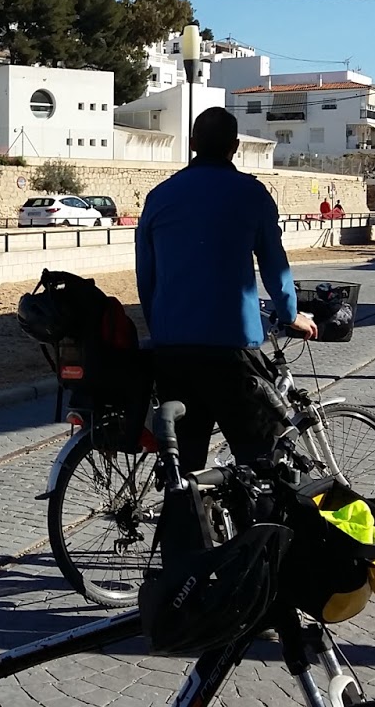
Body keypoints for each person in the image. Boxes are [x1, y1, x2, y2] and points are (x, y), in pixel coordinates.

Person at [136, 107, 317, 472]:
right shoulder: (252, 194)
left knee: (184, 466)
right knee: (262, 458)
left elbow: (146, 277)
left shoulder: (160, 196)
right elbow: (274, 265)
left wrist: (163, 329)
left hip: (173, 350)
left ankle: (186, 524)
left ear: (192, 144)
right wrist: (290, 313)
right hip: (230, 348)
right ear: (234, 147)